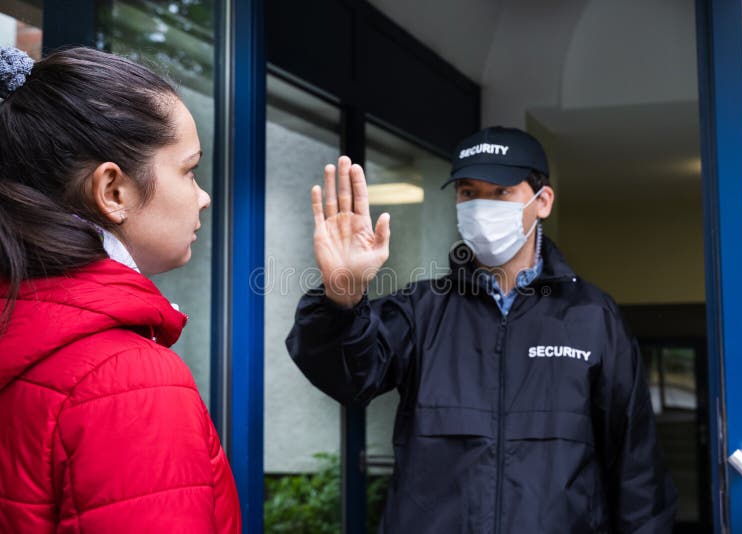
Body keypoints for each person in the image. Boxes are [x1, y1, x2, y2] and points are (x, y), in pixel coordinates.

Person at [286, 127, 677, 533]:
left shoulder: (592, 317)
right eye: (469, 193)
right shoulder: (422, 310)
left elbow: (637, 470)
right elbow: (347, 375)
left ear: (542, 202)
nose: (481, 207)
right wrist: (342, 293)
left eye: (501, 192)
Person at [0, 47, 240, 532]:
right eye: (189, 171)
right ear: (113, 191)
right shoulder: (127, 380)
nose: (204, 197)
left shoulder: (20, 326)